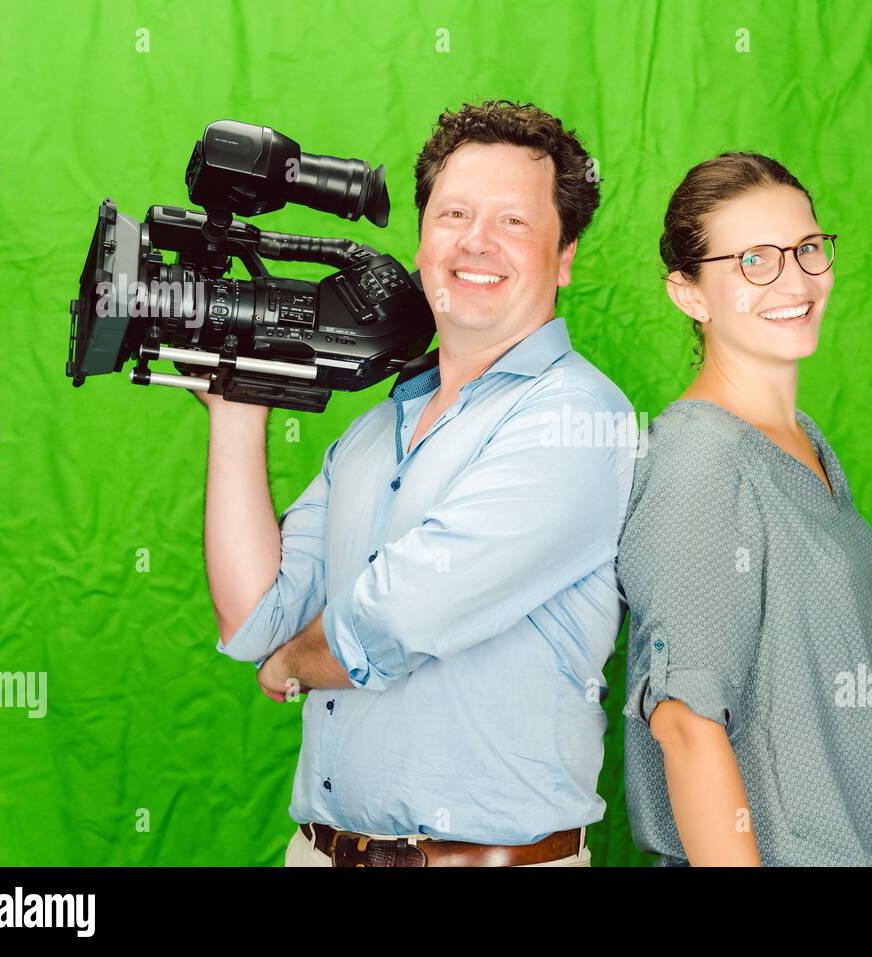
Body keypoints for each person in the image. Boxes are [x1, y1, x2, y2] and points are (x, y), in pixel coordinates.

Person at [202, 99, 637, 866]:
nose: (476, 241)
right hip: (317, 852)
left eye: (513, 222)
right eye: (454, 213)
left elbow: (395, 621)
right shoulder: (373, 434)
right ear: (422, 236)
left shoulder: (578, 419)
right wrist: (238, 414)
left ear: (564, 256)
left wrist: (295, 664)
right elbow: (256, 621)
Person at [617, 151, 872, 866]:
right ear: (689, 293)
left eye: (807, 248)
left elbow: (778, 648)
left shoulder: (806, 442)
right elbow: (685, 720)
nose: (796, 279)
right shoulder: (700, 460)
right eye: (755, 261)